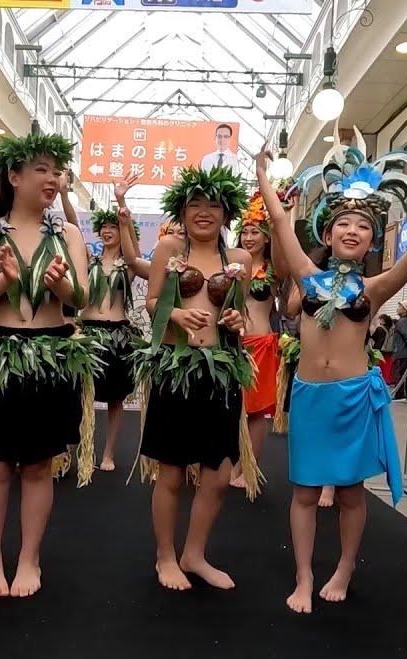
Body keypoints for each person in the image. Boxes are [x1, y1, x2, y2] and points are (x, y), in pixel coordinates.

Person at [255, 142, 407, 615]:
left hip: (352, 399)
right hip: (310, 398)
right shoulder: (307, 276)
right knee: (305, 492)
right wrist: (263, 175)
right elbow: (279, 222)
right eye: (344, 223)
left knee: (348, 493)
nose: (352, 230)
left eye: (363, 226)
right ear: (328, 231)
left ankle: (343, 569)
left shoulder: (375, 288)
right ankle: (304, 576)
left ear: (372, 240)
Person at [0, 131, 97, 599]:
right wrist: (2, 282)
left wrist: (61, 284)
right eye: (41, 170)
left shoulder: (67, 234)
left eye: (56, 171)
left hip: (52, 354)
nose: (52, 179)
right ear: (14, 176)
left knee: (38, 466)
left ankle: (29, 557)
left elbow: (81, 299)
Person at [137, 165, 256, 592]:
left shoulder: (239, 259)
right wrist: (176, 313)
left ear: (226, 214)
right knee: (171, 472)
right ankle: (165, 556)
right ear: (182, 211)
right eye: (195, 205)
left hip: (220, 371)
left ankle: (195, 554)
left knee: (219, 474)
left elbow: (240, 314)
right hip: (176, 368)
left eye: (213, 205)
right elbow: (152, 301)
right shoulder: (169, 247)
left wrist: (237, 320)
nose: (204, 212)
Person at [82, 184, 148, 473]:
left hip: (117, 335)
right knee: (79, 395)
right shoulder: (89, 260)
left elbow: (134, 251)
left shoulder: (128, 265)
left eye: (113, 227)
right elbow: (71, 226)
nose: (108, 231)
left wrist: (122, 205)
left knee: (115, 399)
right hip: (87, 332)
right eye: (104, 227)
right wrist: (63, 195)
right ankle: (78, 450)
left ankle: (108, 453)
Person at [230, 190, 282, 490]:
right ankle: (226, 462)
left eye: (255, 232)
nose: (248, 238)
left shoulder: (274, 269)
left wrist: (276, 221)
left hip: (259, 344)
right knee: (231, 408)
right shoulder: (231, 263)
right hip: (231, 343)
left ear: (267, 236)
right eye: (245, 232)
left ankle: (247, 468)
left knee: (254, 411)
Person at [391, 301, 407, 399]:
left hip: (401, 353)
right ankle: (402, 394)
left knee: (399, 374)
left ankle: (400, 394)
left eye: (400, 306)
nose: (397, 308)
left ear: (405, 310)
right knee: (402, 374)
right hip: (403, 353)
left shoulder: (402, 322)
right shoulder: (406, 321)